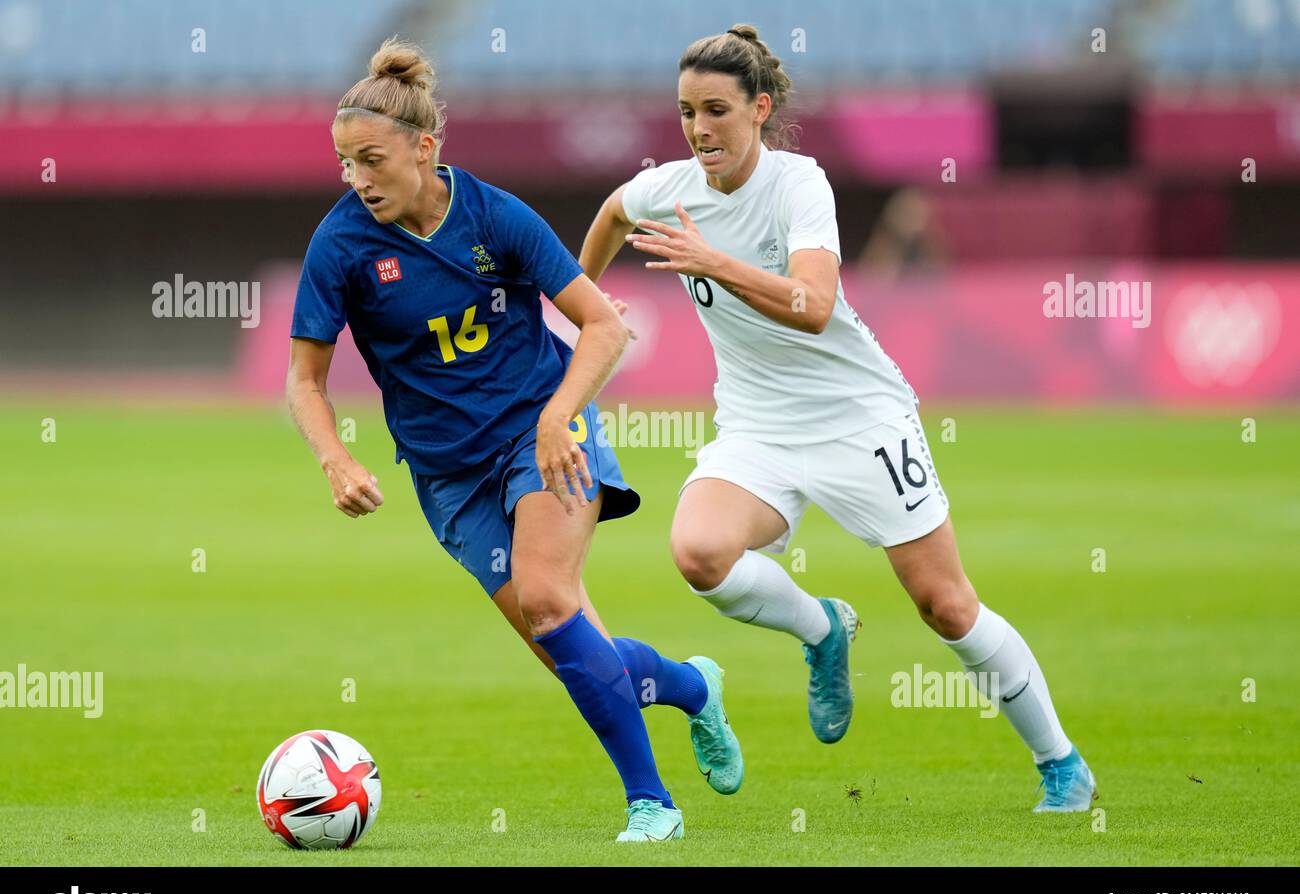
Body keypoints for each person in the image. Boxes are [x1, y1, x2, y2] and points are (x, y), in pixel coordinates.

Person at [578, 24, 1096, 812]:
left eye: (717, 110)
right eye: (687, 111)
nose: (699, 129)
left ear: (760, 108)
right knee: (698, 553)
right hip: (757, 427)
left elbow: (814, 306)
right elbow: (615, 212)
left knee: (945, 605)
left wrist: (714, 260)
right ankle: (823, 631)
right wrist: (580, 303)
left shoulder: (798, 186)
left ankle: (1060, 762)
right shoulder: (669, 188)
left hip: (860, 420)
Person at [285, 38, 743, 842]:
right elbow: (306, 380)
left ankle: (653, 808)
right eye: (343, 164)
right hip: (448, 477)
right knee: (564, 649)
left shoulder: (496, 217)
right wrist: (336, 458)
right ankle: (689, 686)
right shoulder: (341, 245)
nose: (356, 180)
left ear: (425, 149)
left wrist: (558, 414)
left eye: (371, 160)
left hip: (544, 436)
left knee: (549, 600)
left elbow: (602, 327)